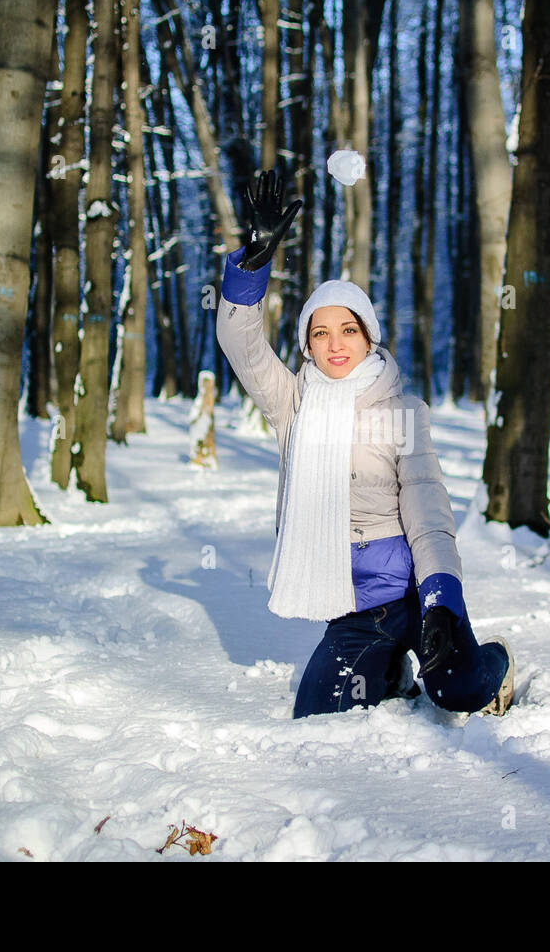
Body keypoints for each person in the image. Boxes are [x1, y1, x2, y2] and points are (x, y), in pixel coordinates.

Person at [215, 169, 514, 719]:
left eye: (347, 330)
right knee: (320, 714)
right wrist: (252, 264)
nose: (335, 345)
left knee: (457, 692)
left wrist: (441, 601)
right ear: (306, 345)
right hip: (351, 605)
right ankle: (389, 670)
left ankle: (493, 663)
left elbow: (428, 513)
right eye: (320, 333)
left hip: (414, 598)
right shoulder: (293, 405)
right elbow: (239, 342)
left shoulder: (402, 411)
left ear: (369, 336)